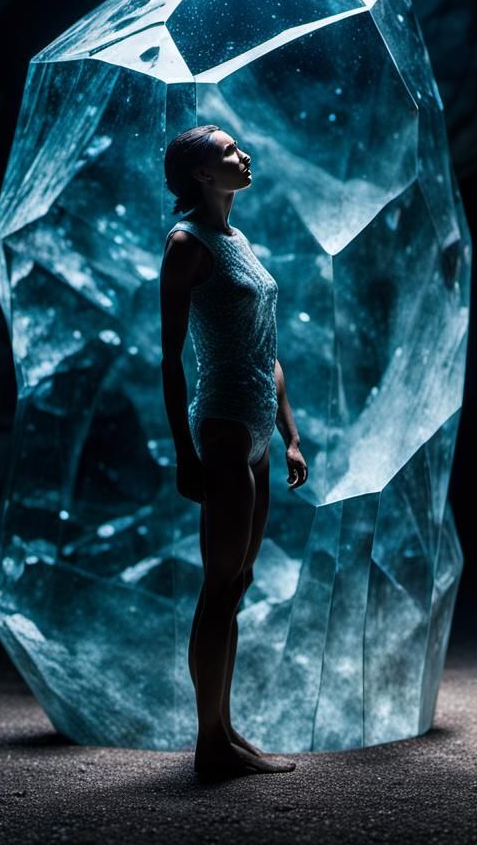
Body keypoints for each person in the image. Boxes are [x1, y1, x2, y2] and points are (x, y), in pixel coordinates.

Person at [159, 124, 309, 779]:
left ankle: (223, 729)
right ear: (200, 174)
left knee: (237, 583)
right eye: (228, 152)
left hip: (254, 434)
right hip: (220, 428)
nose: (244, 156)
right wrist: (183, 455)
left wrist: (290, 433)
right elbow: (168, 359)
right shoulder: (187, 243)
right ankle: (209, 744)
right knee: (219, 586)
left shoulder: (237, 241)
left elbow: (266, 350)